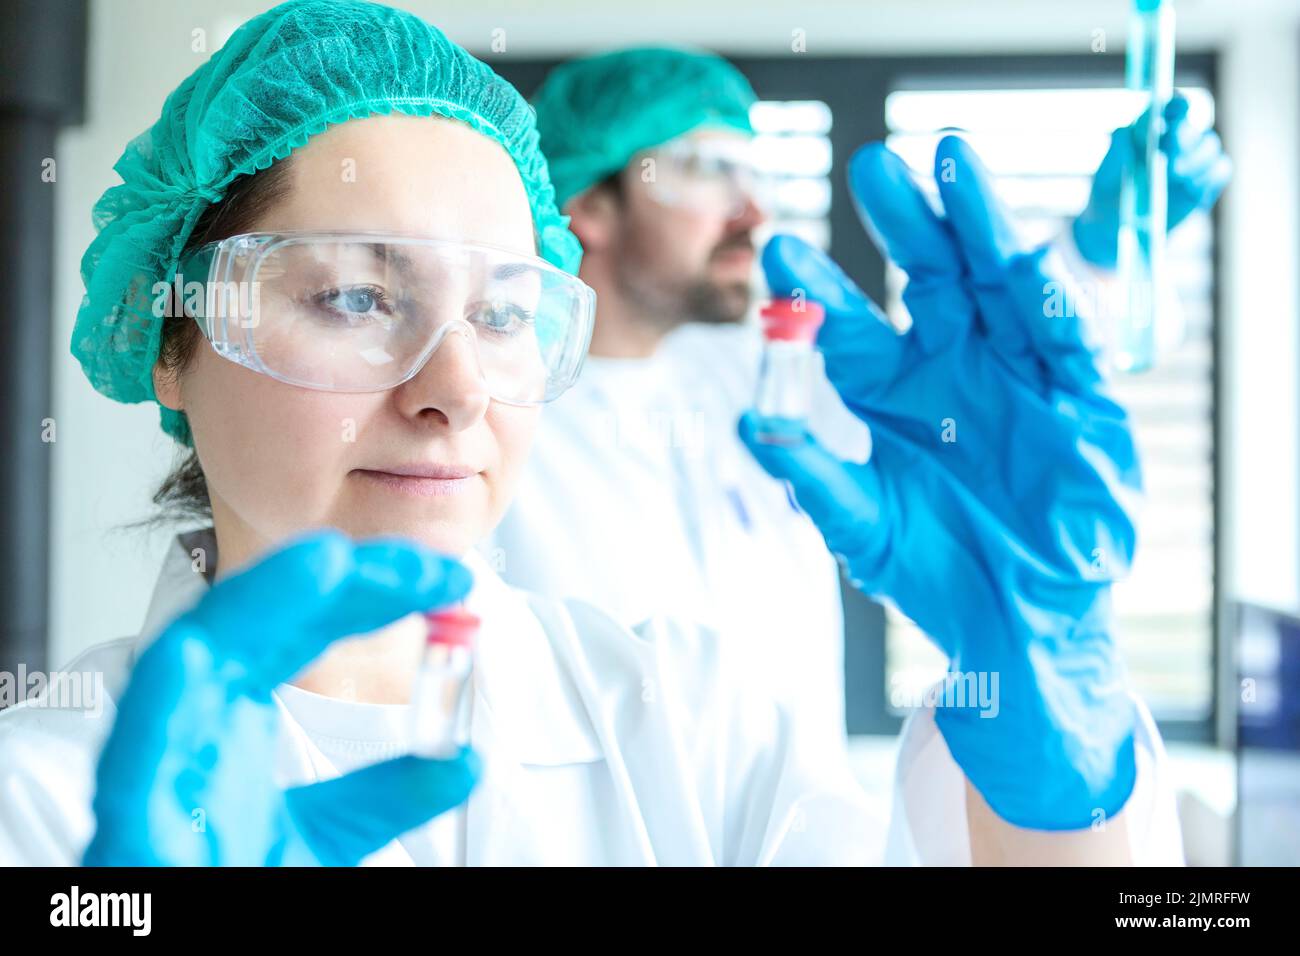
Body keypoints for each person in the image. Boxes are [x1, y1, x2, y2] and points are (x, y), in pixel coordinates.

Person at [0, 0, 1184, 866]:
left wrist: (1055, 785)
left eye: (506, 312)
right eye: (356, 297)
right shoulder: (37, 795)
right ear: (171, 336)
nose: (454, 389)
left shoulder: (698, 724)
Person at [487, 47, 1231, 750]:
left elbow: (993, 385)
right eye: (705, 169)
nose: (750, 209)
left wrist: (1101, 252)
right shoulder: (492, 420)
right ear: (591, 205)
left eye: (753, 172)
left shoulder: (772, 373)